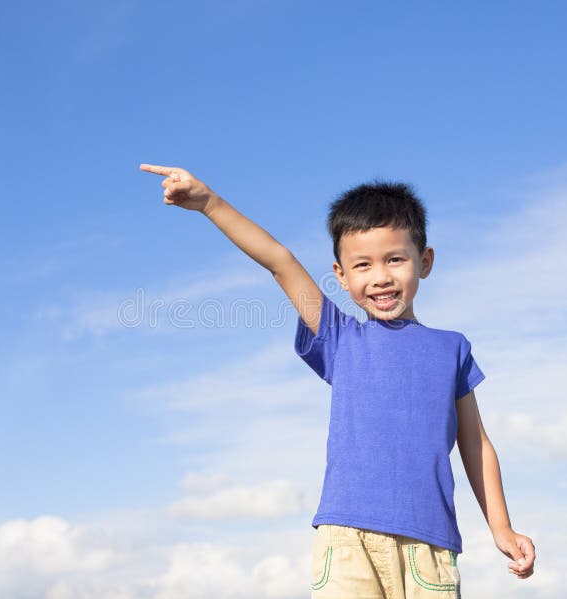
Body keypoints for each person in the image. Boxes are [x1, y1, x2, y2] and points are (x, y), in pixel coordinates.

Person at [140, 163, 536, 598]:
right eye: (362, 265)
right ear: (341, 275)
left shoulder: (452, 348)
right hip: (347, 541)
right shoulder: (338, 337)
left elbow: (476, 443)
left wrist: (501, 527)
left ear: (425, 262)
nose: (380, 276)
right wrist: (210, 204)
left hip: (430, 547)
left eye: (395, 259)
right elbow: (279, 261)